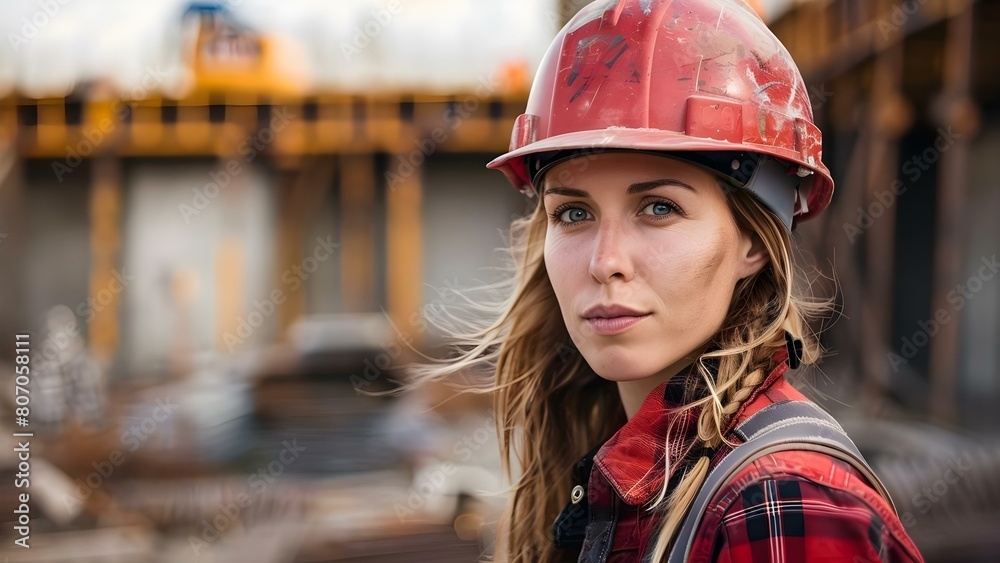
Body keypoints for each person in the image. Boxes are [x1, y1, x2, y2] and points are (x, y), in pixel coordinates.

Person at [409, 0, 924, 561]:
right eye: (574, 213)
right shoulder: (606, 472)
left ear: (753, 242)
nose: (605, 262)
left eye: (659, 208)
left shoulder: (783, 504)